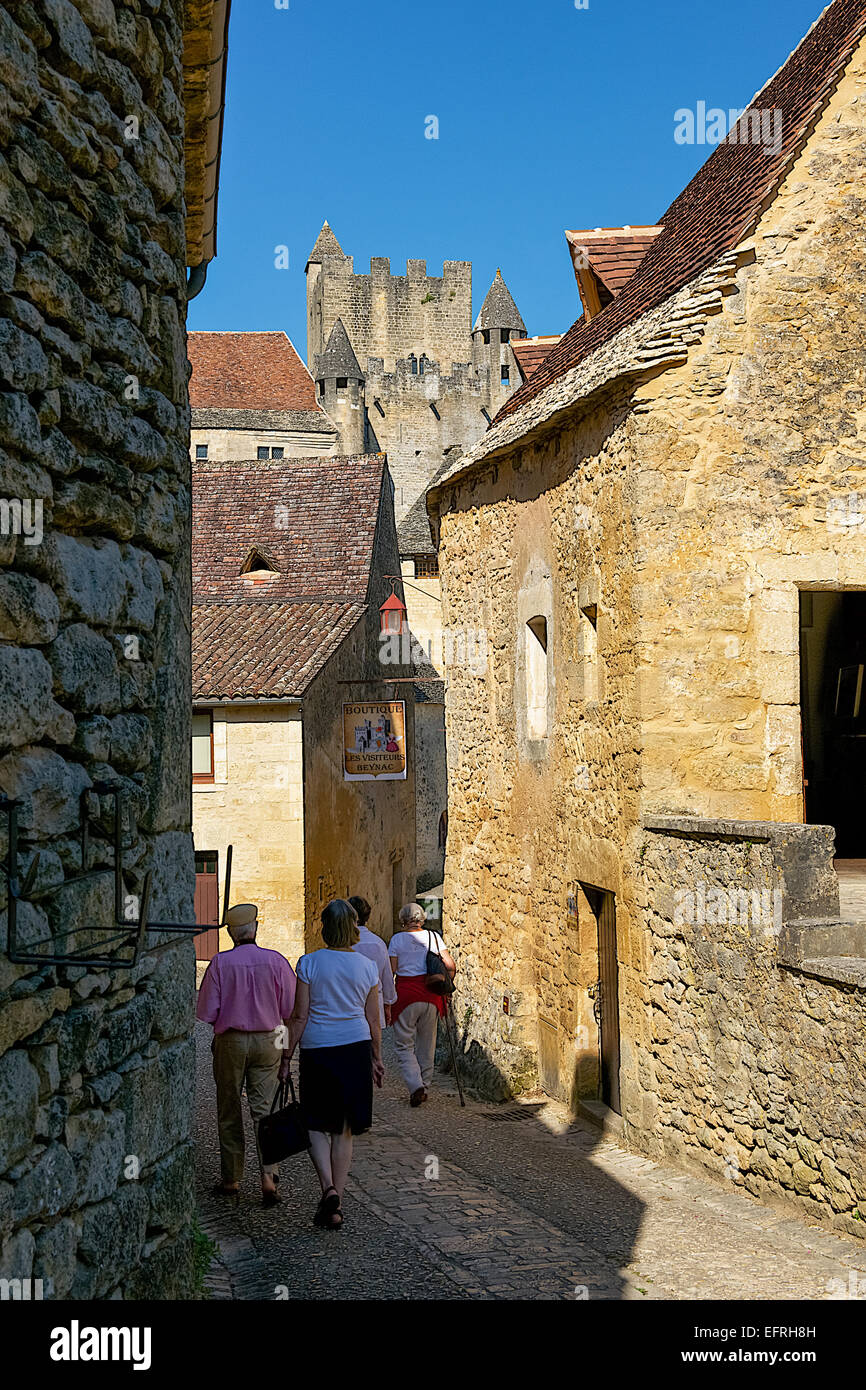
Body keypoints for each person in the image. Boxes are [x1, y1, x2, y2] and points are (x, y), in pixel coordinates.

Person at [283, 899, 384, 1230]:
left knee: (314, 1122)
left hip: (318, 1048)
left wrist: (285, 1057)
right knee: (344, 1127)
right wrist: (377, 1058)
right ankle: (336, 1200)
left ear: (324, 927)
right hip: (355, 1047)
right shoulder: (367, 967)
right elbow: (373, 1020)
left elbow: (298, 1017)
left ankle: (327, 1188)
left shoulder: (309, 963)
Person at [196, 902, 296, 1207]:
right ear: (255, 929)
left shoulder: (219, 964)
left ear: (231, 934)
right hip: (268, 1040)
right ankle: (269, 1177)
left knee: (229, 1108)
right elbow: (289, 1010)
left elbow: (207, 1011)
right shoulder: (277, 962)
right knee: (264, 1111)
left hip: (231, 1041)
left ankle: (231, 1177)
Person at [389, 903, 456, 1107]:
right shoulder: (434, 937)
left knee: (404, 1045)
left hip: (406, 996)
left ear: (403, 921)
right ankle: (424, 1086)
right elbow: (451, 966)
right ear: (422, 919)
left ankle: (415, 1084)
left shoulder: (397, 939)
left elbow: (391, 970)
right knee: (428, 1045)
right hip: (431, 996)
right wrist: (445, 987)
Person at [348, 894, 397, 1029]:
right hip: (375, 1004)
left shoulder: (344, 943)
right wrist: (387, 1004)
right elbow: (387, 976)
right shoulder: (378, 943)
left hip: (348, 1005)